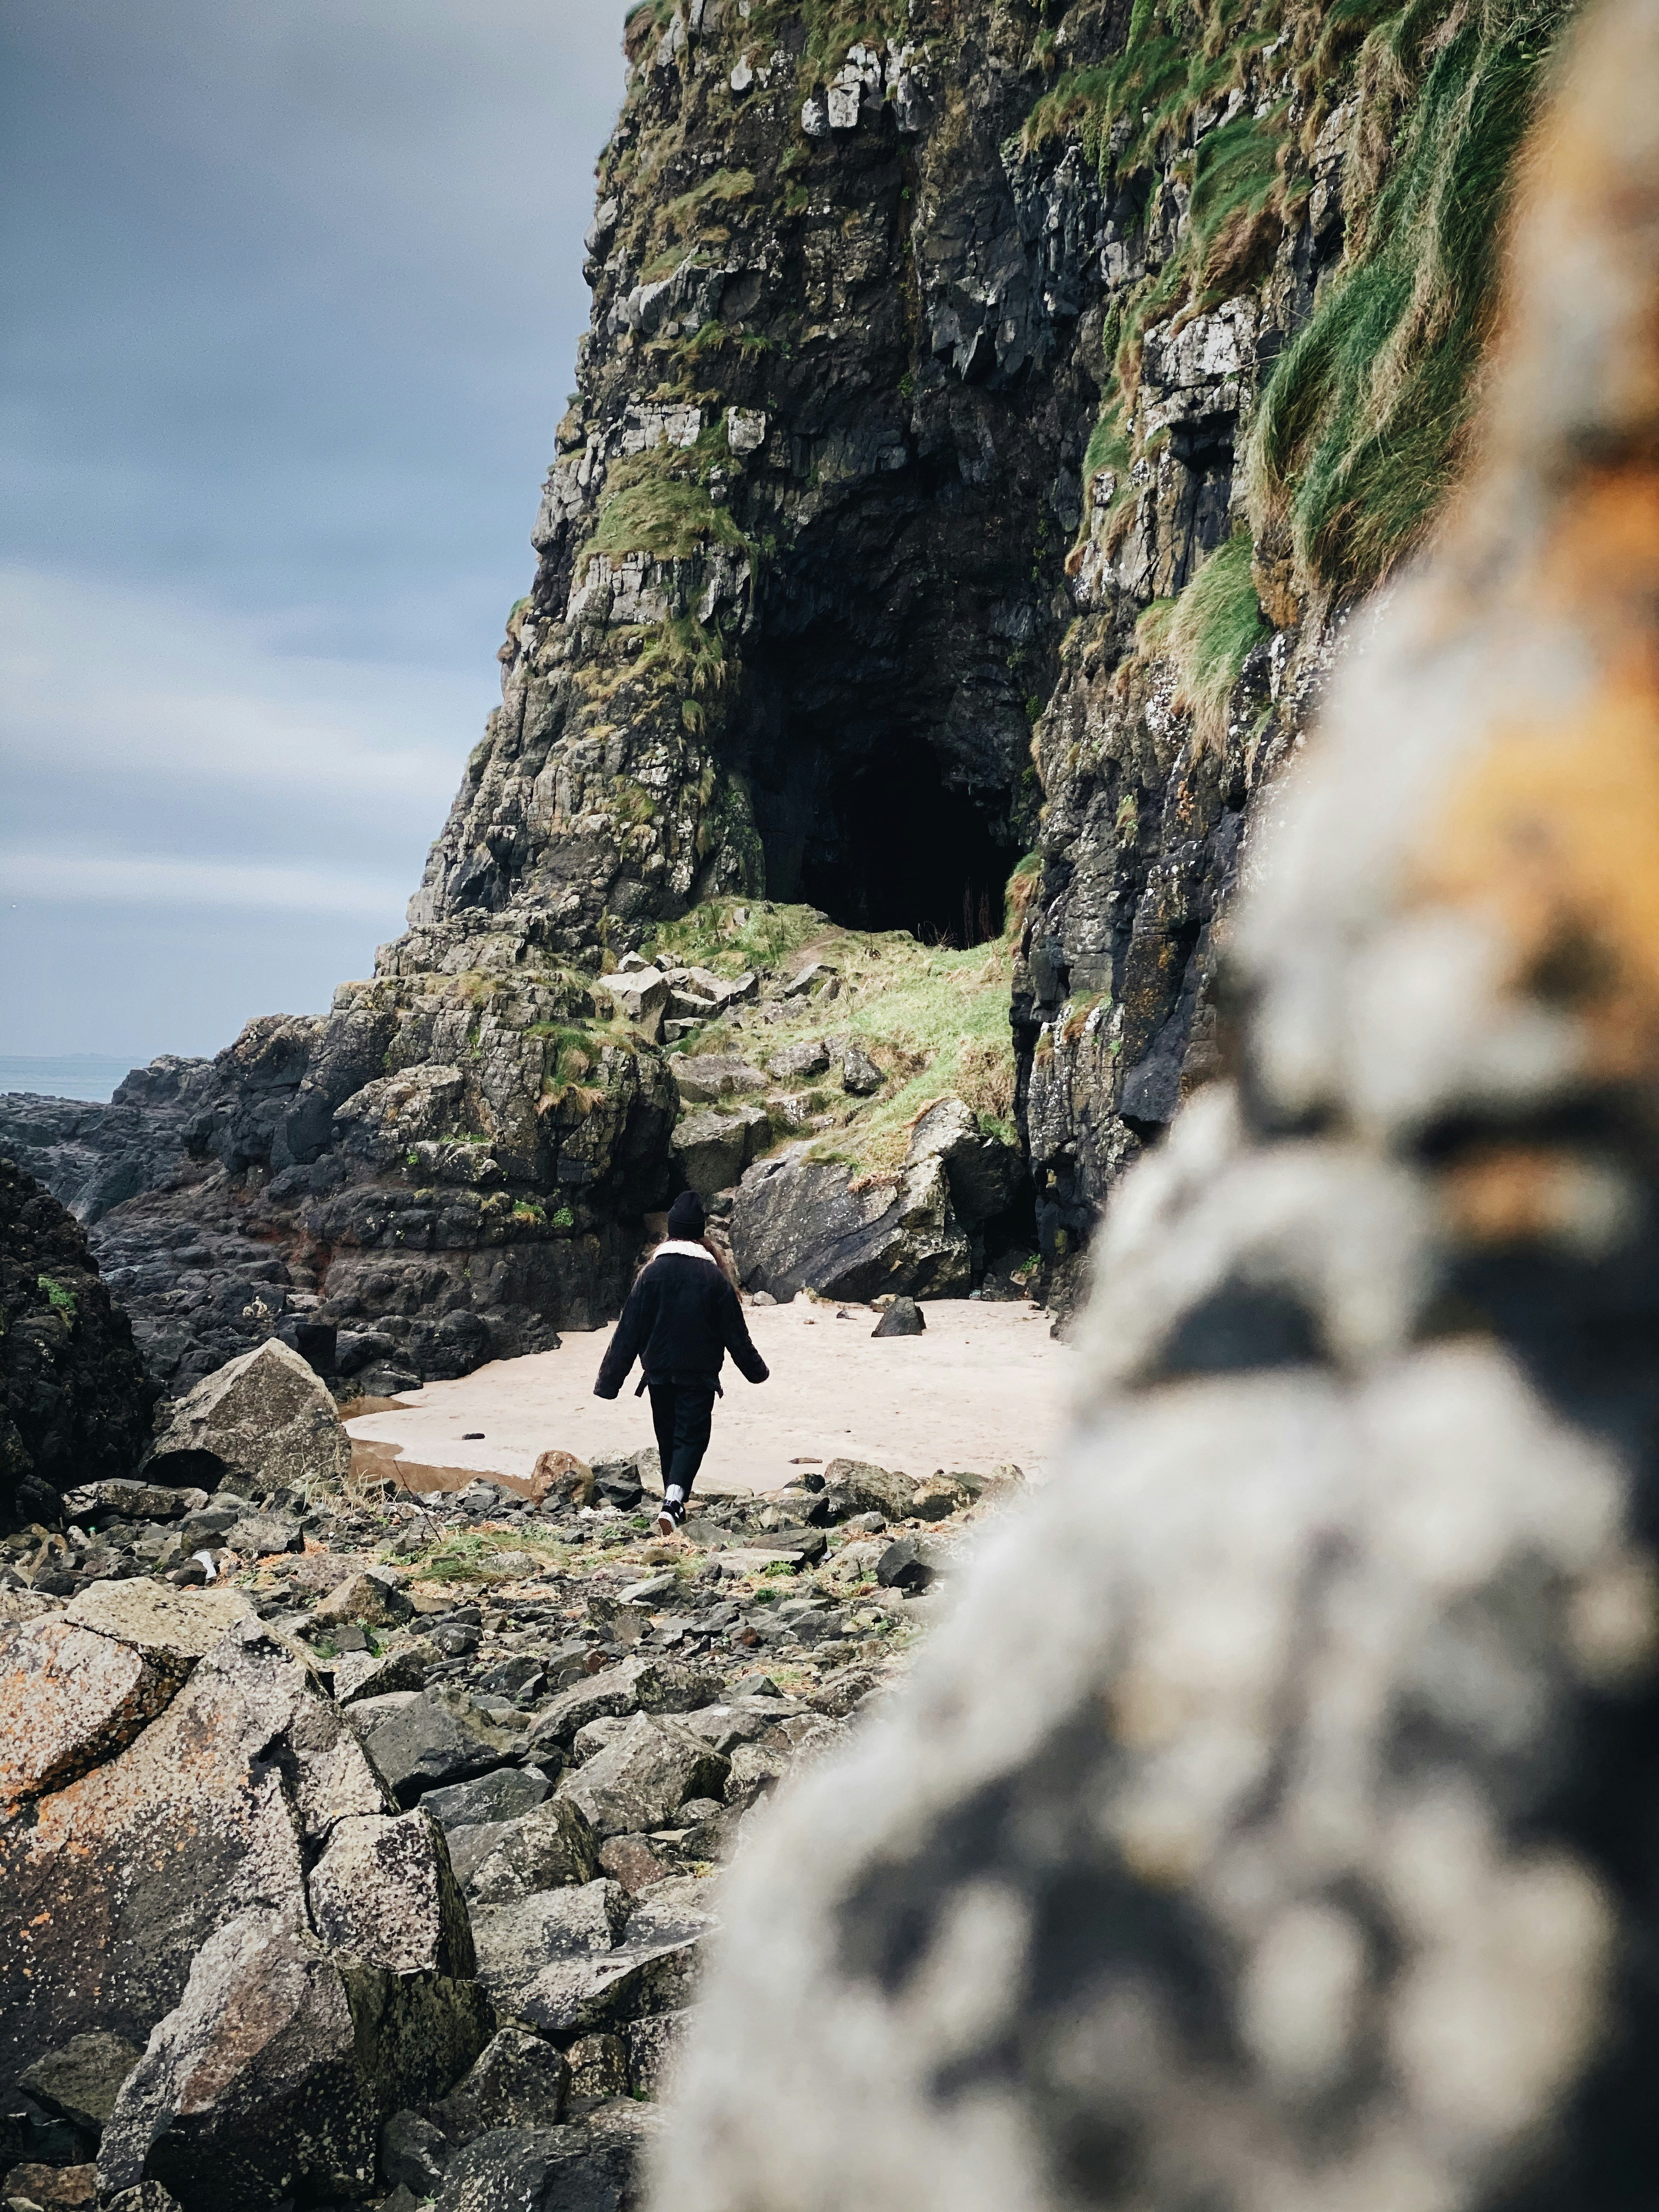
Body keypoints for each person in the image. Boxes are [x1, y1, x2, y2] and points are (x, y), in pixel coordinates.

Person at [594, 1190, 769, 1536]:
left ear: (671, 1231)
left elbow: (628, 1331)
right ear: (700, 1232)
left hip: (657, 1373)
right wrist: (756, 1372)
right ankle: (674, 1503)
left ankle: (672, 1505)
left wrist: (609, 1382)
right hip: (699, 1376)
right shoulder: (714, 1278)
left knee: (668, 1437)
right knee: (691, 1437)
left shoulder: (652, 1274)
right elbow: (736, 1335)